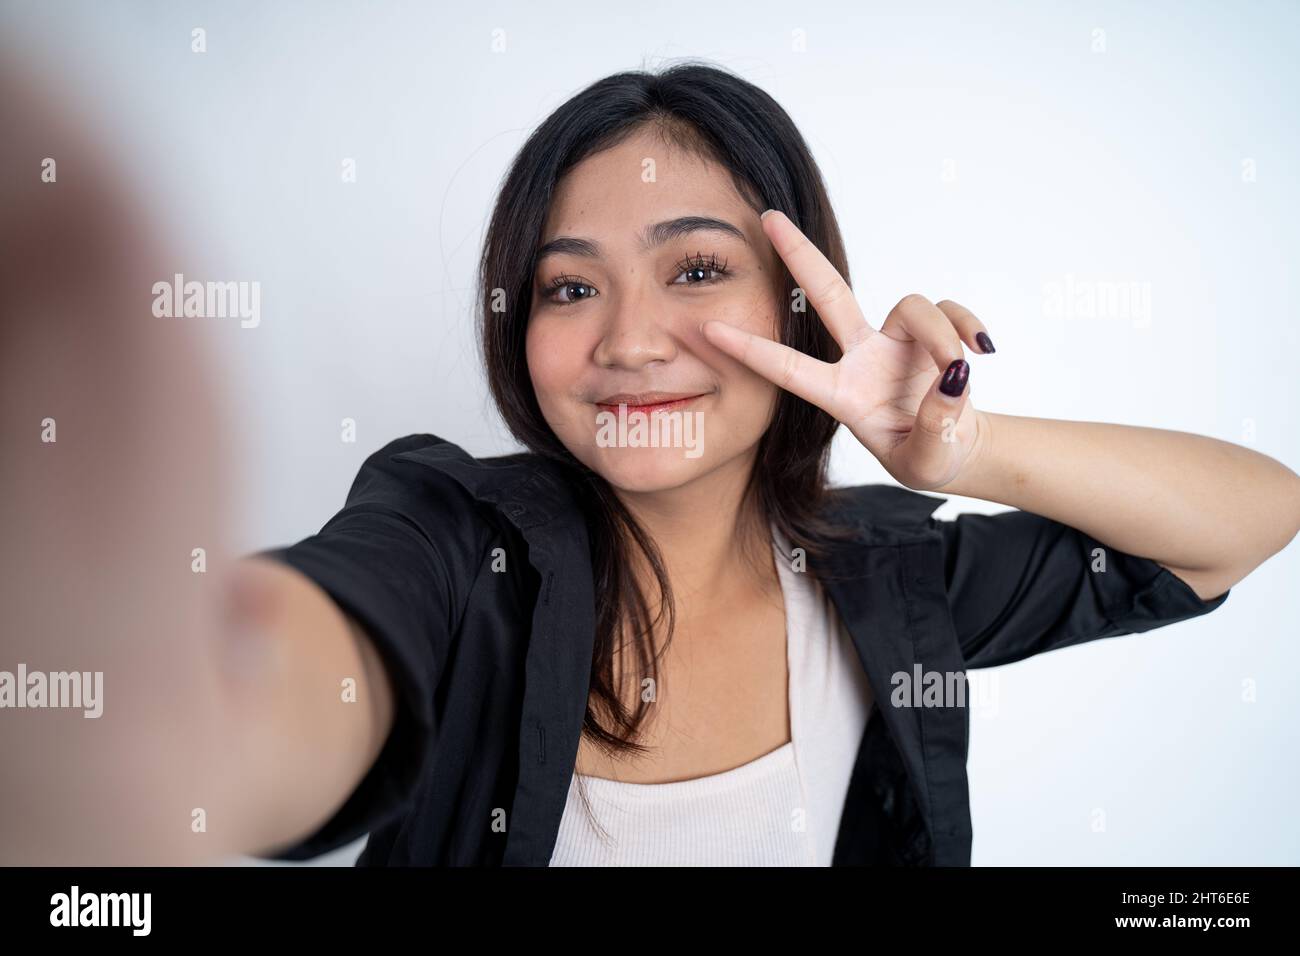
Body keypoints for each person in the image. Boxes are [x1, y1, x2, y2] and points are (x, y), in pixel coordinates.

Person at [6, 60, 1296, 866]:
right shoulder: (454, 536)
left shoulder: (895, 580)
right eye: (572, 286)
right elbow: (281, 681)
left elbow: (1249, 517)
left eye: (694, 270)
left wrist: (946, 443)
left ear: (799, 302)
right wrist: (129, 715)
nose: (629, 341)